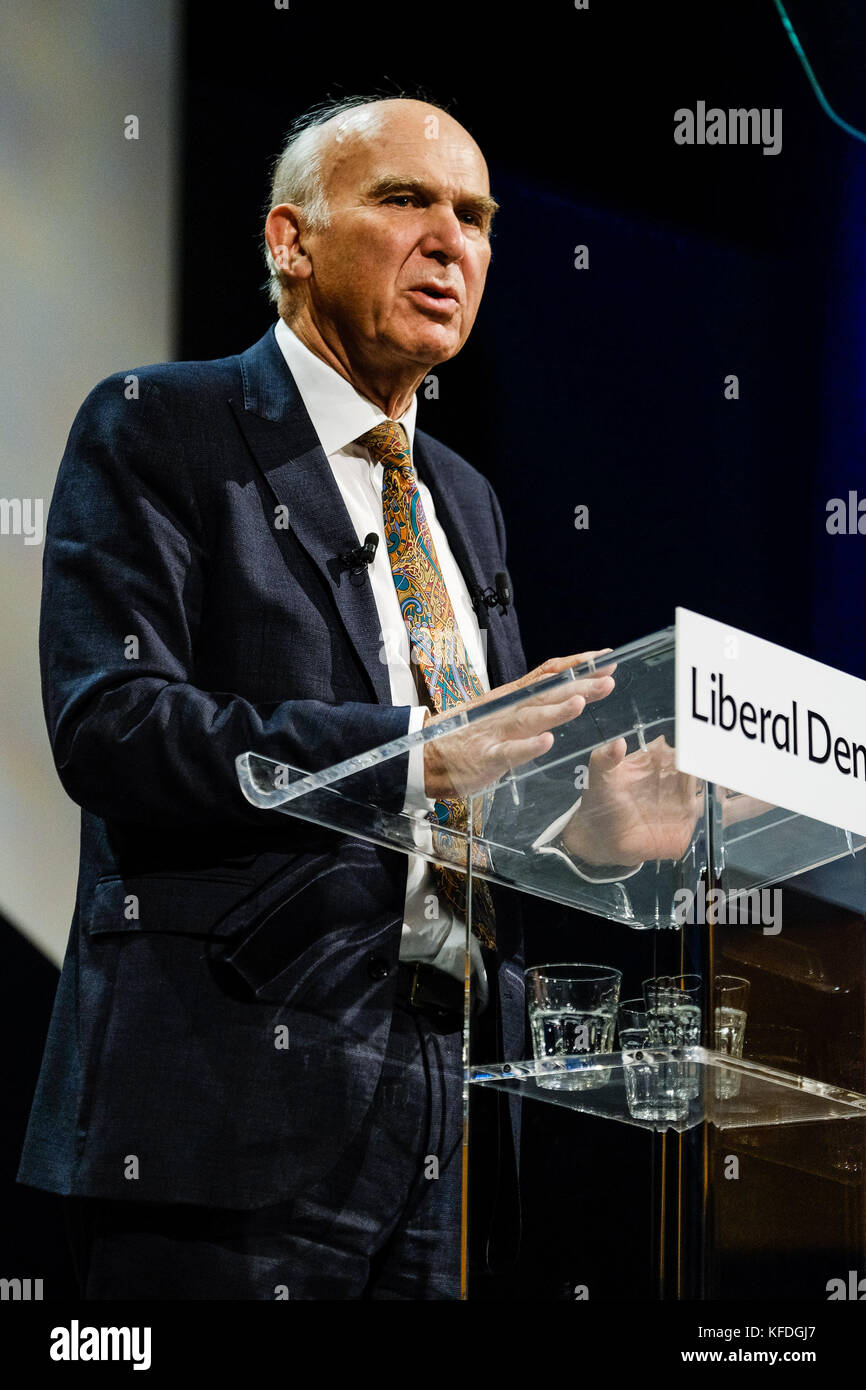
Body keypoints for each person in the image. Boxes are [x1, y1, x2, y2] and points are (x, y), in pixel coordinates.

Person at [17, 94, 687, 1300]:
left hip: (451, 1105)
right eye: (404, 200)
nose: (451, 240)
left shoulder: (463, 499)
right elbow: (111, 727)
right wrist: (412, 751)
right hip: (224, 1110)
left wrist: (575, 841)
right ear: (289, 240)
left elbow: (459, 796)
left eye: (475, 215)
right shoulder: (161, 428)